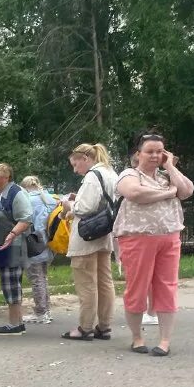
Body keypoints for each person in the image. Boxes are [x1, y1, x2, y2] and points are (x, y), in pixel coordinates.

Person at [115, 133, 194, 356]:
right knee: (137, 288)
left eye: (160, 151)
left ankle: (164, 341)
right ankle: (137, 338)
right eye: (150, 151)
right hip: (137, 238)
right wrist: (169, 192)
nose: (155, 155)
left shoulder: (166, 176)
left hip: (169, 237)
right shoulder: (129, 174)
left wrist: (170, 167)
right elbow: (135, 193)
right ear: (138, 154)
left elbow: (187, 191)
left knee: (167, 288)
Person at [59, 143, 118, 341]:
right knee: (105, 282)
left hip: (86, 238)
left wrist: (69, 205)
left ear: (85, 158)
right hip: (104, 235)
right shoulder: (110, 172)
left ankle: (85, 327)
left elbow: (85, 208)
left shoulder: (93, 176)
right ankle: (105, 325)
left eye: (76, 164)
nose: (75, 170)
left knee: (87, 283)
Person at [0, 163, 34, 335]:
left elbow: (26, 218)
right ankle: (17, 322)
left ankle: (15, 324)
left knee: (11, 283)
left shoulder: (16, 193)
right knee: (8, 283)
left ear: (5, 177)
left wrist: (12, 234)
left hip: (13, 246)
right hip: (1, 245)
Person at [20, 176, 57, 324]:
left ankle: (41, 312)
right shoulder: (50, 198)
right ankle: (46, 310)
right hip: (49, 243)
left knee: (36, 278)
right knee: (43, 277)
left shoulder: (27, 200)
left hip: (33, 243)